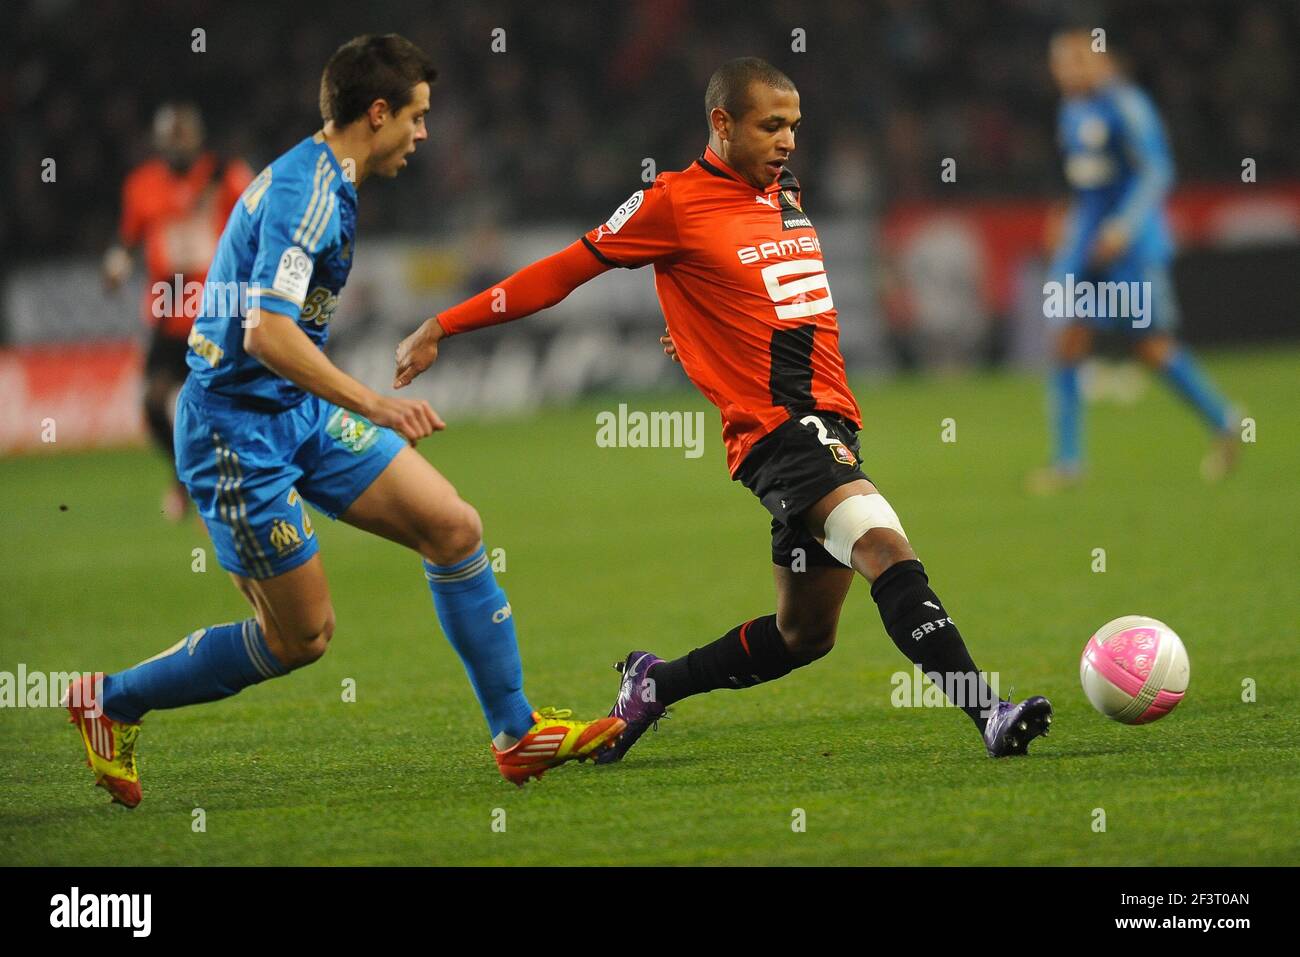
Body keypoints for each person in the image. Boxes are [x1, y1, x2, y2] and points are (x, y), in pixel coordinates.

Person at [393, 57, 1052, 764]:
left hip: (834, 423)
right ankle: (988, 710)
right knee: (884, 544)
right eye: (771, 125)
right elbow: (562, 272)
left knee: (805, 636)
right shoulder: (672, 202)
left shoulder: (784, 192)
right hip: (780, 432)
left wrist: (698, 332)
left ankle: (654, 683)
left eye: (794, 125)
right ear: (722, 124)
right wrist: (443, 325)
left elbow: (765, 300)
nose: (788, 140)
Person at [65, 34, 623, 806]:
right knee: (301, 639)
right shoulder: (310, 194)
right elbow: (266, 331)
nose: (425, 133)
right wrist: (373, 400)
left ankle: (518, 733)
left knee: (454, 527)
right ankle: (112, 699)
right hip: (235, 432)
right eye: (419, 116)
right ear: (378, 111)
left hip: (294, 411)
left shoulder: (329, 175)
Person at [1029, 28, 1240, 494]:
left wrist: (1124, 225)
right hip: (1085, 242)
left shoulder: (1126, 105)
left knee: (1150, 346)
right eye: (1059, 63)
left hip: (1129, 244)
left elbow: (1158, 169)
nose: (1065, 72)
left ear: (1097, 62)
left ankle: (1225, 418)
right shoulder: (1071, 109)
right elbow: (1087, 181)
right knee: (1066, 338)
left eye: (1074, 62)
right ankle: (1068, 463)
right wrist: (1066, 216)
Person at [103, 103, 254, 520]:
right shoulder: (142, 185)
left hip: (218, 313)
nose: (177, 145)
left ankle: (231, 480)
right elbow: (128, 237)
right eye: (170, 137)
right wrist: (117, 261)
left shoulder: (226, 175)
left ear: (198, 137)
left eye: (183, 136)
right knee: (153, 405)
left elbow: (259, 219)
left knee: (220, 404)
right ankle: (183, 474)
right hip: (168, 312)